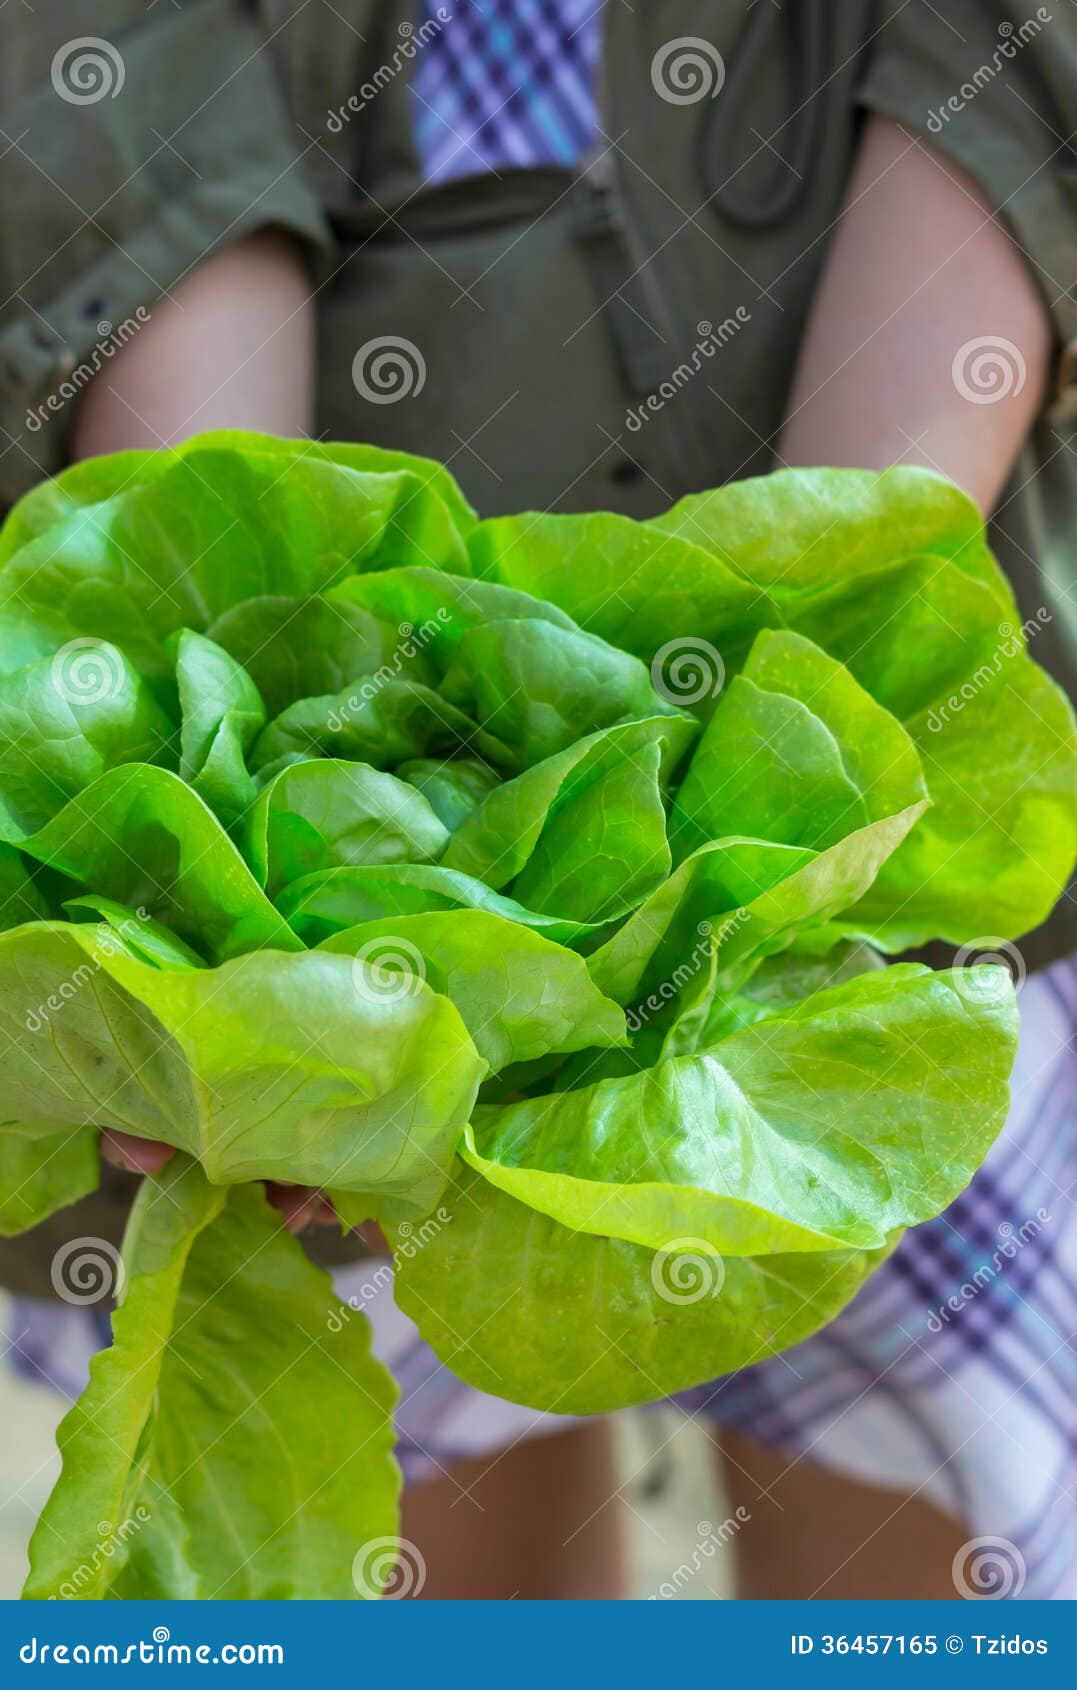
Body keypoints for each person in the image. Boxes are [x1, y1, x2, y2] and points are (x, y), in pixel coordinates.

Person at [1, 0, 1074, 1599]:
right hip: (366, 998)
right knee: (447, 1569)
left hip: (846, 930)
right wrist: (236, 950)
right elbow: (142, 107)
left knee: (895, 1582)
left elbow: (1004, 72)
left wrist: (765, 800)